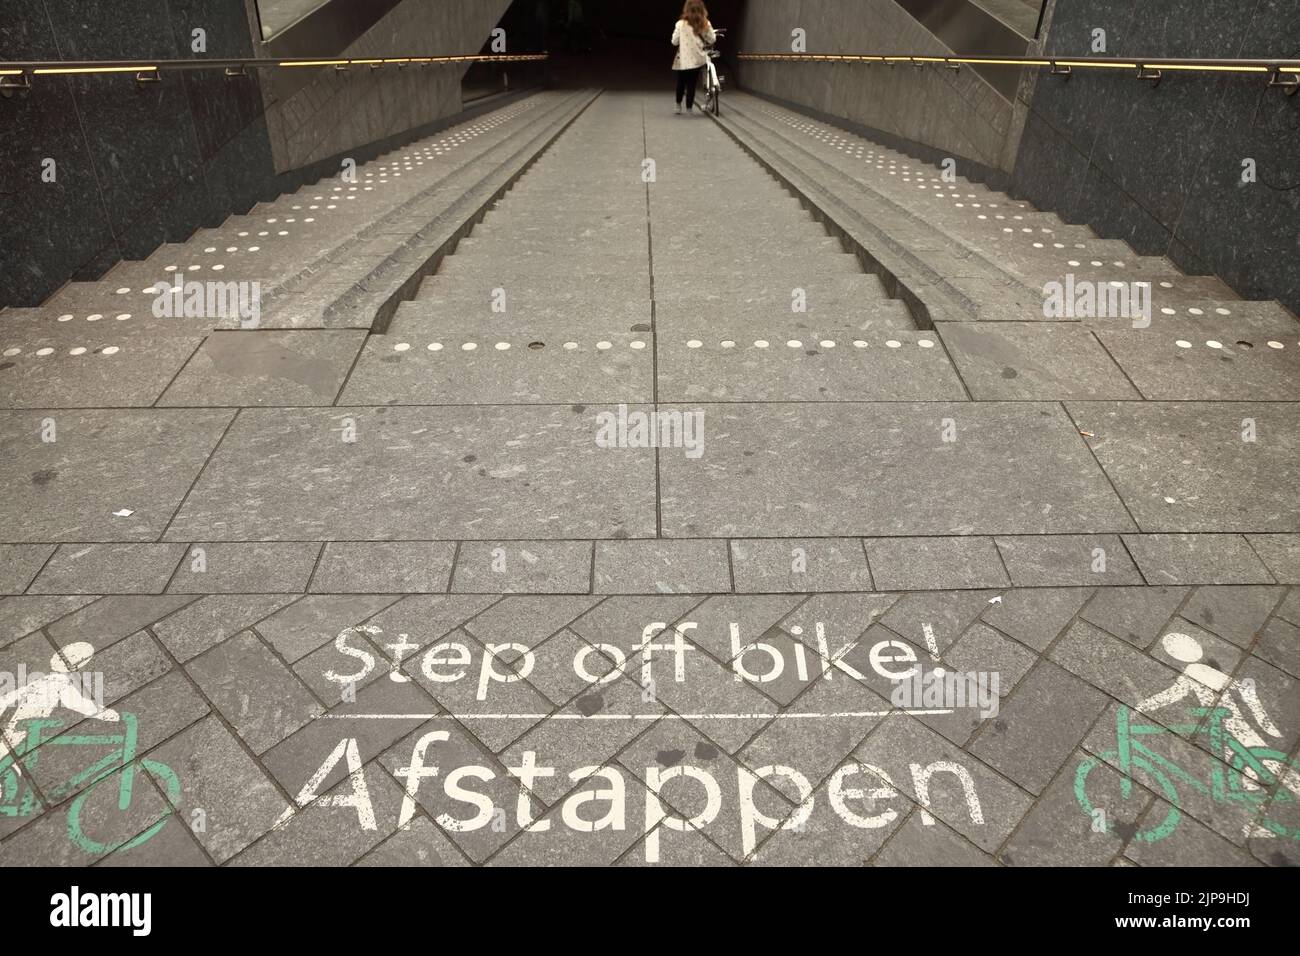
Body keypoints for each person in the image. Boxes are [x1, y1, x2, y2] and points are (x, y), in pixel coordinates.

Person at [0, 642, 118, 776]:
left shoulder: (50, 679)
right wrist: (102, 713)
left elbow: (14, 695)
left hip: (22, 721)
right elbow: (74, 702)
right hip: (27, 723)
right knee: (11, 750)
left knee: (9, 749)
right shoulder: (57, 681)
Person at [671, 0, 716, 114]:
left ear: (686, 9)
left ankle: (678, 105)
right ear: (702, 9)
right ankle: (689, 108)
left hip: (683, 59)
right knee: (692, 83)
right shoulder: (705, 23)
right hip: (697, 58)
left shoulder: (680, 24)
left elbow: (674, 42)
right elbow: (712, 39)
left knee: (681, 82)